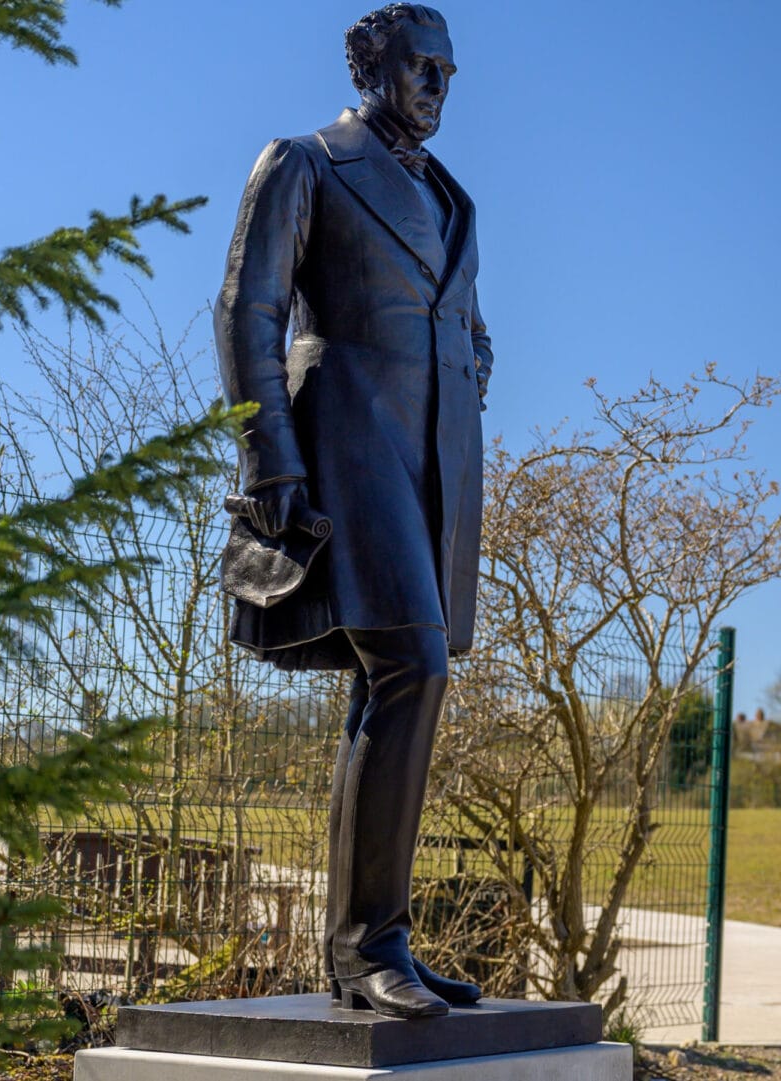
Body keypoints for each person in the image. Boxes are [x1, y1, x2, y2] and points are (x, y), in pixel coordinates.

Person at [214, 3, 491, 1018]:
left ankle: (373, 948)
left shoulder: (453, 201)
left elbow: (465, 318)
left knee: (400, 674)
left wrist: (473, 369)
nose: (438, 87)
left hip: (436, 462)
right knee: (411, 663)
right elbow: (246, 308)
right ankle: (368, 945)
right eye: (423, 67)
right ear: (369, 64)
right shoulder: (304, 162)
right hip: (345, 444)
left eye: (449, 74)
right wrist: (268, 454)